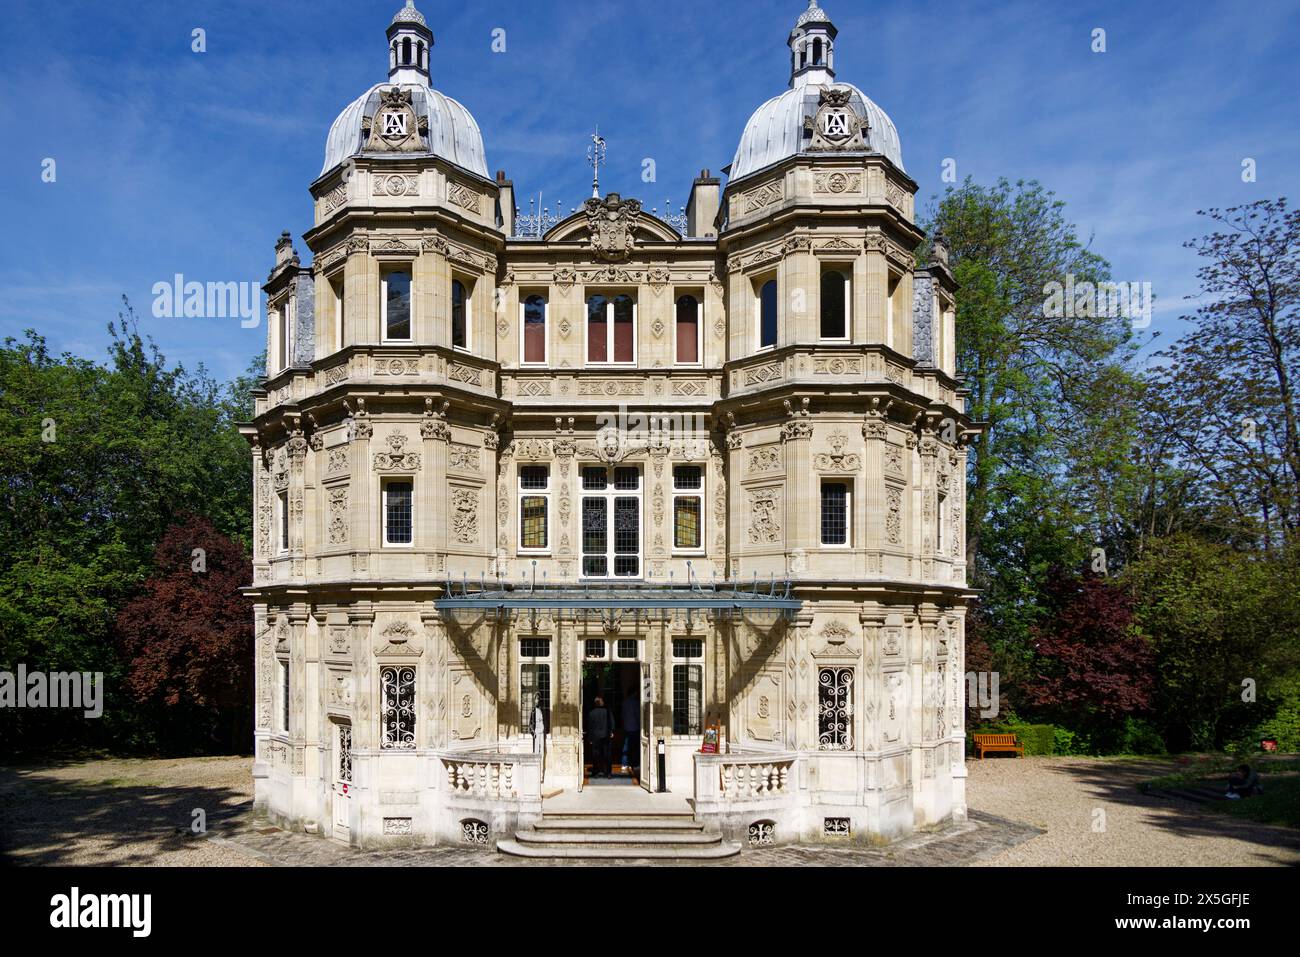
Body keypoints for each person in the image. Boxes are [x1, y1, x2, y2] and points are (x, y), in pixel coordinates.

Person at [586, 696, 613, 778]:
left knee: (596, 755)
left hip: (595, 736)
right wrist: (611, 731)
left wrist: (590, 738)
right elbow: (611, 722)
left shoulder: (591, 713)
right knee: (607, 754)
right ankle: (608, 773)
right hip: (606, 735)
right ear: (602, 703)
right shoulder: (607, 711)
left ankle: (596, 772)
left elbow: (590, 726)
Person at [621, 687, 640, 775]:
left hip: (626, 727)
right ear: (634, 693)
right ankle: (635, 764)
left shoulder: (624, 702)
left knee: (626, 746)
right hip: (634, 727)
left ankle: (624, 764)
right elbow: (637, 716)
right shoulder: (635, 703)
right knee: (635, 747)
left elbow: (623, 715)